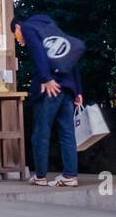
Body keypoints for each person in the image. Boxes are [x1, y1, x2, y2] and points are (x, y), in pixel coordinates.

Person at [12, 15, 83, 187]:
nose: (18, 39)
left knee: (41, 133)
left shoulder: (27, 27)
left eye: (15, 34)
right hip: (67, 87)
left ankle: (41, 176)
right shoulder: (52, 28)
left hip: (49, 88)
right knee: (67, 133)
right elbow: (70, 56)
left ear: (17, 27)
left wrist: (46, 78)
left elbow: (38, 53)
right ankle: (70, 176)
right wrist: (78, 90)